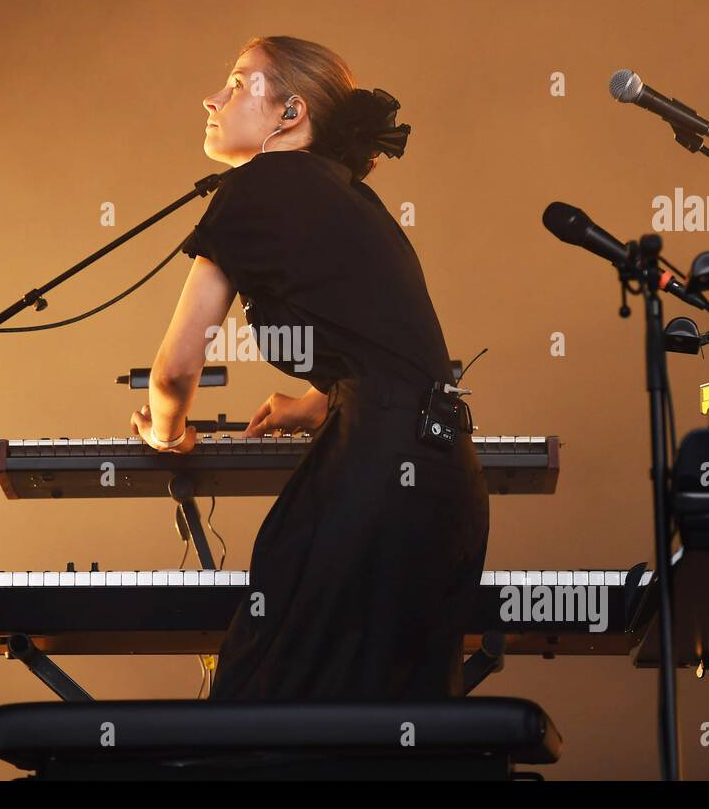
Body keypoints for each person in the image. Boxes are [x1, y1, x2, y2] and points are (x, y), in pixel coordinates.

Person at [129, 35, 490, 700]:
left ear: (290, 112)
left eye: (238, 83)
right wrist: (315, 404)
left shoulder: (256, 185)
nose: (212, 98)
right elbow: (396, 354)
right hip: (447, 481)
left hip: (377, 471)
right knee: (391, 730)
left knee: (265, 708)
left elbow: (175, 372)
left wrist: (168, 432)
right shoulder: (354, 199)